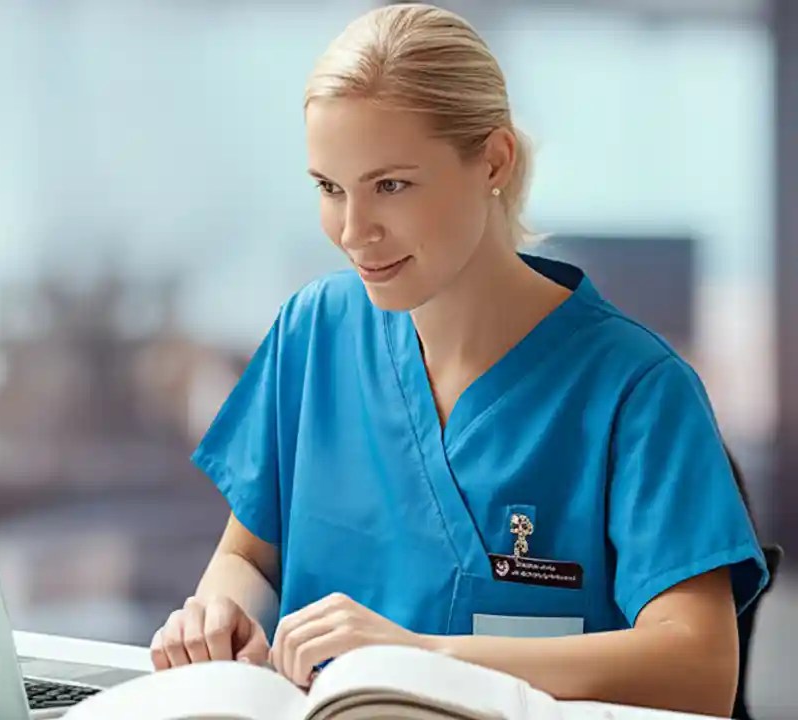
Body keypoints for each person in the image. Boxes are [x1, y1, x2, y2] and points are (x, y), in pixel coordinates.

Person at [148, 4, 768, 717]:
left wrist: (417, 658)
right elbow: (250, 559)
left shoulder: (637, 392)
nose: (354, 232)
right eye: (329, 187)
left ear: (494, 162)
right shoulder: (313, 332)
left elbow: (701, 669)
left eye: (391, 185)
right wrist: (217, 613)